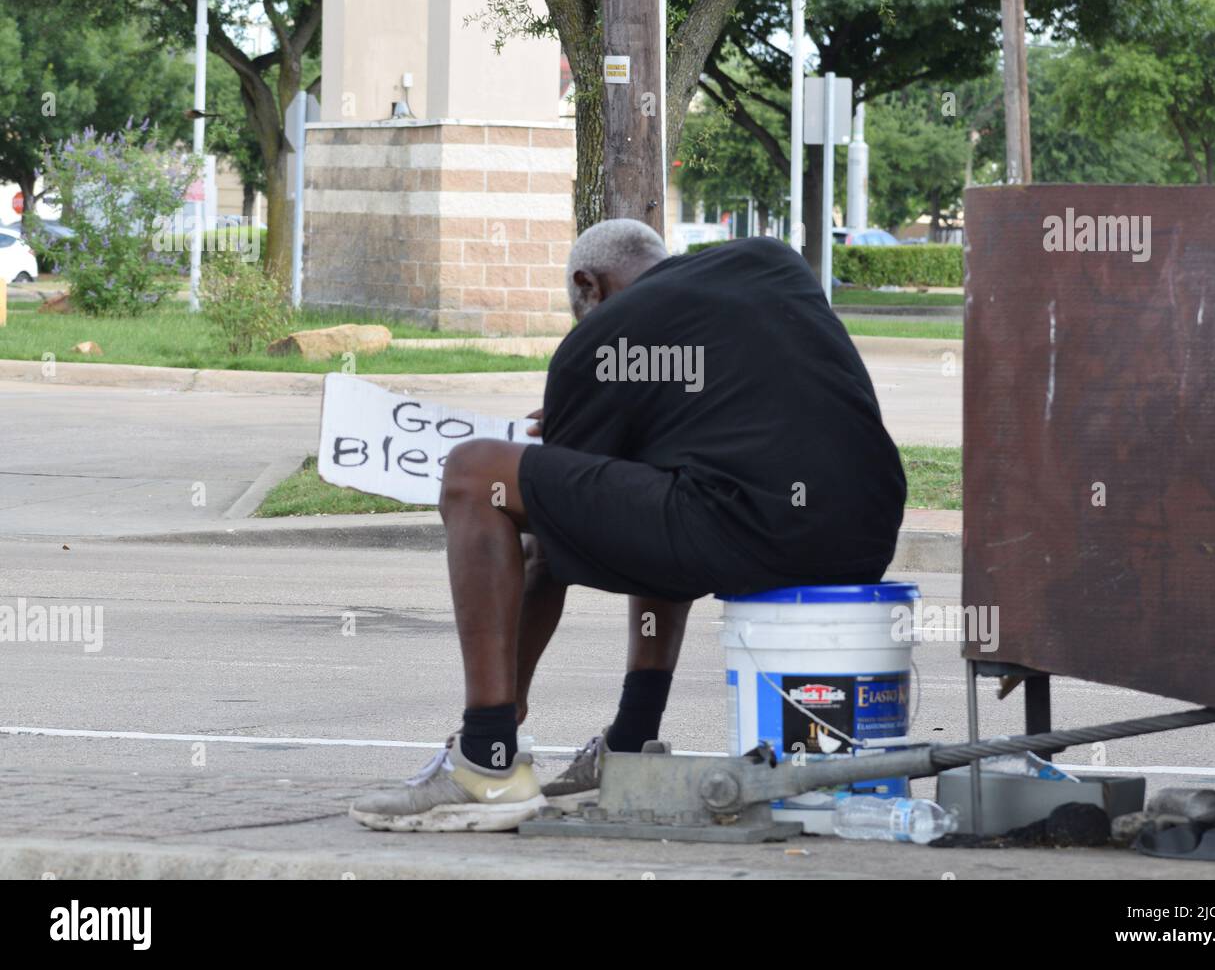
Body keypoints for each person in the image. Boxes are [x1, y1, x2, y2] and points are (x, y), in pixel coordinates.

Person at [349, 219, 906, 832]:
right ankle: (633, 743)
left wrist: (569, 418)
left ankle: (486, 757)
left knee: (476, 473)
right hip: (866, 530)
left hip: (750, 528)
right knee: (658, 483)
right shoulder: (771, 262)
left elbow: (544, 545)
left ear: (590, 286)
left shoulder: (597, 343)